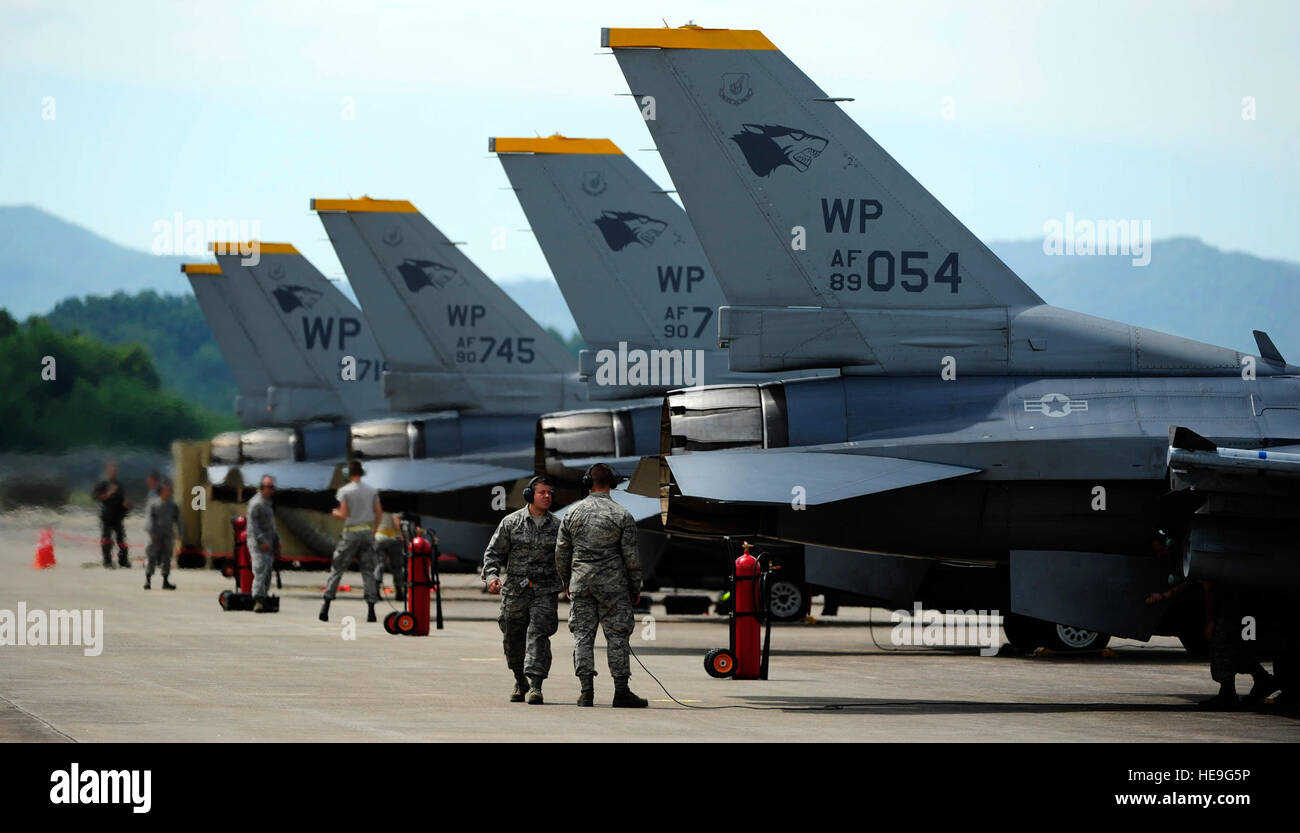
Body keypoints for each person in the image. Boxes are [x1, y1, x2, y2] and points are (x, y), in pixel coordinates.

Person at [555, 463, 646, 708]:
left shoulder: (572, 514)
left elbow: (562, 552)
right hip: (613, 587)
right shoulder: (621, 515)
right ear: (613, 484)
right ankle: (621, 691)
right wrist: (635, 587)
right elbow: (632, 558)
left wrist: (567, 582)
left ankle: (586, 692)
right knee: (617, 637)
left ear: (588, 482)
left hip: (581, 585)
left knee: (583, 637)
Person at [482, 475, 562, 705]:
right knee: (512, 636)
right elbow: (493, 553)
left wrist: (569, 582)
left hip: (545, 591)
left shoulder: (558, 526)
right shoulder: (511, 522)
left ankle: (536, 685)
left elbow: (566, 557)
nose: (547, 496)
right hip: (515, 591)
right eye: (542, 493)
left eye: (549, 493)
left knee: (538, 635)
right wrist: (492, 577)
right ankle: (520, 679)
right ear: (529, 496)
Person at [320, 461, 381, 623]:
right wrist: (373, 531)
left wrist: (335, 512)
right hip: (367, 533)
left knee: (338, 568)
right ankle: (371, 610)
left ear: (348, 474)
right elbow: (379, 513)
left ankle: (325, 606)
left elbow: (344, 514)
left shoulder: (344, 491)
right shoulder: (372, 491)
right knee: (368, 571)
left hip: (350, 534)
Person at [245, 475, 281, 613]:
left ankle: (264, 597)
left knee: (267, 573)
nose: (272, 490)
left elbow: (272, 526)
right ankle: (258, 601)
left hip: (269, 543)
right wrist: (261, 541)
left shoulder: (268, 503)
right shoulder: (256, 503)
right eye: (269, 487)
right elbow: (253, 526)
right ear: (262, 487)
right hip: (258, 544)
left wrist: (277, 541)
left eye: (273, 487)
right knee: (260, 571)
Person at [143, 480, 182, 590]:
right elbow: (149, 520)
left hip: (168, 535)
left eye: (169, 490)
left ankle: (165, 581)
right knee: (152, 557)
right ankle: (148, 580)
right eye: (165, 490)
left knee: (167, 558)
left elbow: (178, 520)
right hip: (156, 535)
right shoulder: (154, 504)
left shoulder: (173, 505)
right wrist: (151, 532)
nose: (167, 492)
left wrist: (180, 532)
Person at [92, 462, 130, 569]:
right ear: (107, 471)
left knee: (121, 539)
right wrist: (108, 494)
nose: (113, 472)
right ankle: (107, 561)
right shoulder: (102, 484)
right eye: (111, 471)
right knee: (106, 540)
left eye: (114, 471)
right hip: (106, 516)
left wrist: (126, 505)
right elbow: (95, 497)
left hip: (118, 516)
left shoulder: (119, 484)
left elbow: (123, 498)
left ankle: (123, 561)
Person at [373, 512, 406, 602]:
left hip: (379, 537)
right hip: (394, 539)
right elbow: (397, 521)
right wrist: (402, 536)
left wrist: (373, 534)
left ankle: (376, 591)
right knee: (397, 567)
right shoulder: (394, 504)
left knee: (379, 566)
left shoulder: (377, 504)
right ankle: (399, 592)